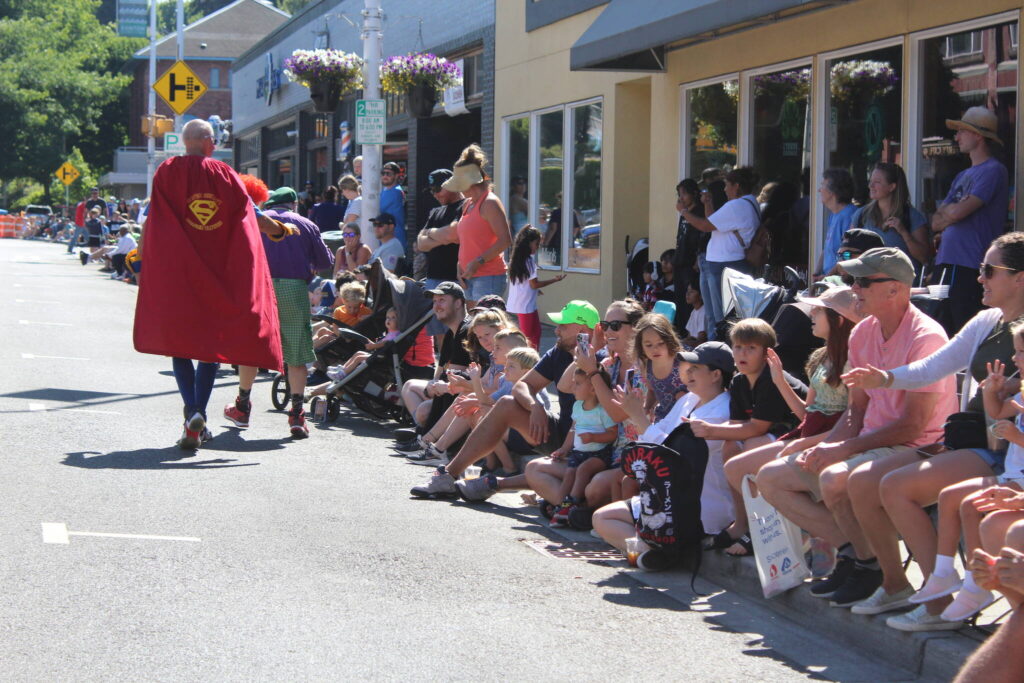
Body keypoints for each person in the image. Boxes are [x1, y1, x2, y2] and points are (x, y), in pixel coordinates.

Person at [839, 233, 1024, 630]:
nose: (979, 278)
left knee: (896, 487)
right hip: (976, 441)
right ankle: (904, 586)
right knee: (870, 482)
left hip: (1005, 452)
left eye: (989, 270)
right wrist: (886, 378)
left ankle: (941, 603)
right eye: (980, 269)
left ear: (1020, 278)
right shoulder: (989, 320)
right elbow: (936, 366)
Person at [756, 247, 957, 610]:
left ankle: (882, 574)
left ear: (895, 289)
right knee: (771, 476)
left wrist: (842, 449)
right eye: (853, 280)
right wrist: (824, 445)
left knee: (835, 477)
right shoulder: (864, 332)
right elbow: (856, 410)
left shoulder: (926, 336)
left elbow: (913, 424)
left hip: (918, 447)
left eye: (863, 281)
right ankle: (859, 557)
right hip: (872, 444)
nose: (854, 289)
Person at [133, 119, 295, 449]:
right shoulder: (225, 174)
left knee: (180, 346)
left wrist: (140, 258)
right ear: (209, 143)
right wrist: (279, 230)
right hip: (217, 277)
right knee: (209, 348)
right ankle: (199, 413)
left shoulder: (165, 171)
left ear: (184, 142)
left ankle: (192, 413)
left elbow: (154, 219)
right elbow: (252, 218)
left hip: (178, 277)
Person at [412, 300, 600, 500]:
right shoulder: (559, 352)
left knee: (482, 407)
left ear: (582, 329)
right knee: (505, 404)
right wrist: (534, 405)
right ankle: (449, 475)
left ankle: (495, 474)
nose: (556, 330)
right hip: (559, 432)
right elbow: (523, 385)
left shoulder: (604, 358)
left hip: (591, 442)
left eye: (563, 325)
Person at [597, 341, 736, 552]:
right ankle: (649, 553)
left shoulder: (722, 412)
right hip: (666, 498)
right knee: (602, 518)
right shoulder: (690, 398)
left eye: (695, 369)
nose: (687, 373)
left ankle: (655, 552)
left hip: (700, 510)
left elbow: (670, 457)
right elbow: (658, 432)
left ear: (716, 375)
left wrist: (637, 416)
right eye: (687, 368)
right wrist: (639, 417)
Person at [224, 182, 334, 439]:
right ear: (294, 205)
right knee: (297, 353)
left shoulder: (254, 218)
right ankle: (297, 415)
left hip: (259, 288)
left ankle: (242, 407)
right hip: (294, 290)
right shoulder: (305, 224)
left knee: (251, 348)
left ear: (269, 204)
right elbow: (325, 261)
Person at [694, 318, 806, 556]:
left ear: (767, 353)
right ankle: (742, 522)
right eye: (737, 347)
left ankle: (761, 527)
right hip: (770, 437)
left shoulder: (771, 379)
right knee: (730, 447)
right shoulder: (738, 381)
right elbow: (736, 426)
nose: (742, 353)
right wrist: (716, 432)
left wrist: (710, 430)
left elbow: (756, 428)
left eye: (751, 348)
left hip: (799, 437)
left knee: (751, 445)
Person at [933, 107, 1011, 332]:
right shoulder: (961, 175)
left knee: (964, 329)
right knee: (941, 328)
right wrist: (953, 211)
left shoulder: (994, 170)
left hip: (970, 264)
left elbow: (957, 213)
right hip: (946, 261)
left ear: (978, 135)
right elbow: (935, 221)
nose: (956, 137)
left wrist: (952, 212)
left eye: (961, 131)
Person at [680, 167, 762, 340]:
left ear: (736, 186)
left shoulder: (737, 205)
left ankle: (721, 353)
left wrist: (684, 212)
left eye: (727, 185)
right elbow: (714, 222)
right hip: (726, 262)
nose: (724, 189)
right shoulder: (749, 203)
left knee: (721, 318)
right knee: (721, 316)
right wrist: (708, 203)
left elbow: (705, 226)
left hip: (725, 264)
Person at [397, 282, 471, 435]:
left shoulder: (466, 331)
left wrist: (436, 385)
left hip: (463, 393)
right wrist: (433, 383)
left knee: (423, 411)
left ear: (458, 303)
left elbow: (456, 379)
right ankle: (422, 429)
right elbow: (441, 368)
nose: (436, 306)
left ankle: (425, 433)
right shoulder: (451, 332)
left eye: (442, 300)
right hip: (449, 388)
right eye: (435, 301)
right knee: (409, 385)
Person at [442, 144, 512, 304]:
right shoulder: (468, 203)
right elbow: (468, 242)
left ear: (471, 183)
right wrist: (460, 265)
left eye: (460, 185)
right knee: (474, 326)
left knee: (485, 325)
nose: (457, 190)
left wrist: (477, 262)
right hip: (469, 276)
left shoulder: (490, 203)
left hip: (489, 276)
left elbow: (505, 240)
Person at [548, 367, 618, 526]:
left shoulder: (603, 410)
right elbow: (573, 429)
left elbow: (612, 434)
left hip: (599, 453)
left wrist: (594, 437)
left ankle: (572, 503)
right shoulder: (578, 406)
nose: (573, 387)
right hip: (579, 452)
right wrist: (564, 448)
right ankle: (560, 506)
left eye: (577, 384)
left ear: (593, 388)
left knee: (583, 470)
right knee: (569, 473)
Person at [850, 163, 931, 276]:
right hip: (868, 285)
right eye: (871, 181)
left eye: (877, 182)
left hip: (902, 287)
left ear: (892, 187)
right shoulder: (861, 215)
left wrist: (903, 232)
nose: (870, 186)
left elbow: (924, 258)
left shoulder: (912, 216)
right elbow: (847, 251)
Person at [507, 225, 566, 349]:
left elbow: (524, 284)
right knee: (528, 337)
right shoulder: (528, 261)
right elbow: (534, 284)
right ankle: (526, 361)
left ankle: (532, 360)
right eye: (536, 243)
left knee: (535, 333)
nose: (538, 247)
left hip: (526, 304)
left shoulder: (519, 259)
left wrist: (537, 290)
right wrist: (555, 280)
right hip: (525, 306)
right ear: (528, 243)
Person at [672, 179, 704, 335]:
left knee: (691, 300)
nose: (681, 198)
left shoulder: (698, 212)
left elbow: (702, 236)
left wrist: (698, 258)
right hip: (680, 261)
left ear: (694, 194)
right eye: (679, 194)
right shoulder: (684, 213)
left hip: (691, 263)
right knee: (680, 299)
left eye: (684, 193)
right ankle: (682, 332)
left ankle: (693, 334)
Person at [817, 168, 858, 277]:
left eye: (822, 186)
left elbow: (847, 254)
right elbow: (827, 248)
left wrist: (828, 277)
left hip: (840, 280)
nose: (819, 190)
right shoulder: (833, 215)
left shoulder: (850, 215)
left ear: (832, 192)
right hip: (829, 278)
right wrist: (817, 272)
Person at [379, 162, 407, 246]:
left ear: (396, 176)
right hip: (386, 238)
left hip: (394, 238)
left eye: (388, 174)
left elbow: (377, 209)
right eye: (383, 173)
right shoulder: (384, 190)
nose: (385, 176)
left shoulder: (396, 191)